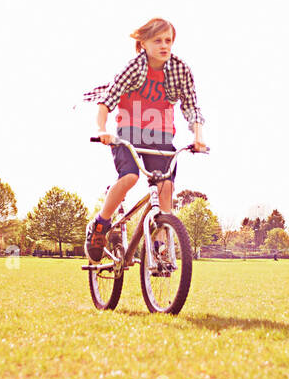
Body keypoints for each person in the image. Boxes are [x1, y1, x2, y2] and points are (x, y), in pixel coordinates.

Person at [82, 18, 207, 261]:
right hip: (128, 133)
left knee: (165, 187)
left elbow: (192, 107)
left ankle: (160, 247)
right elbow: (107, 100)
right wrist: (102, 130)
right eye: (157, 40)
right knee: (129, 176)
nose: (164, 45)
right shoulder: (133, 68)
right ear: (143, 44)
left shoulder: (180, 70)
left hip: (161, 136)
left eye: (168, 40)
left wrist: (199, 137)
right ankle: (100, 224)